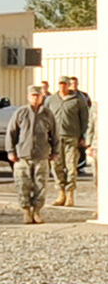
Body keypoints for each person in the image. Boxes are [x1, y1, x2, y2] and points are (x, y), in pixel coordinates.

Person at [8, 82, 59, 226]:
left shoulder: (48, 114)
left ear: (42, 97)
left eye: (38, 95)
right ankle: (26, 211)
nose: (35, 98)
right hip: (23, 157)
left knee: (40, 185)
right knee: (22, 185)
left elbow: (55, 135)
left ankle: (37, 211)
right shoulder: (20, 113)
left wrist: (55, 152)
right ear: (28, 97)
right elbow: (11, 133)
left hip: (41, 156)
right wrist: (11, 151)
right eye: (33, 95)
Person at [54, 73, 92, 206]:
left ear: (69, 85)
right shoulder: (51, 100)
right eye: (60, 84)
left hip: (72, 137)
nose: (62, 87)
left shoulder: (78, 100)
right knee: (57, 166)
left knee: (71, 166)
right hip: (56, 138)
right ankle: (61, 193)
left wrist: (84, 137)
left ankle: (70, 194)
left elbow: (85, 119)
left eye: (65, 84)